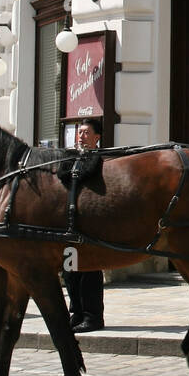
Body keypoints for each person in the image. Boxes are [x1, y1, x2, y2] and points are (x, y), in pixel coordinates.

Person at [64, 117, 106, 332]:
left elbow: (87, 177)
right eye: (79, 132)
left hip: (89, 224)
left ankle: (93, 316)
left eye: (86, 133)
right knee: (70, 271)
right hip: (71, 224)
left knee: (89, 270)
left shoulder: (98, 159)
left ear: (96, 137)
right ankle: (77, 312)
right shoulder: (73, 158)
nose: (81, 136)